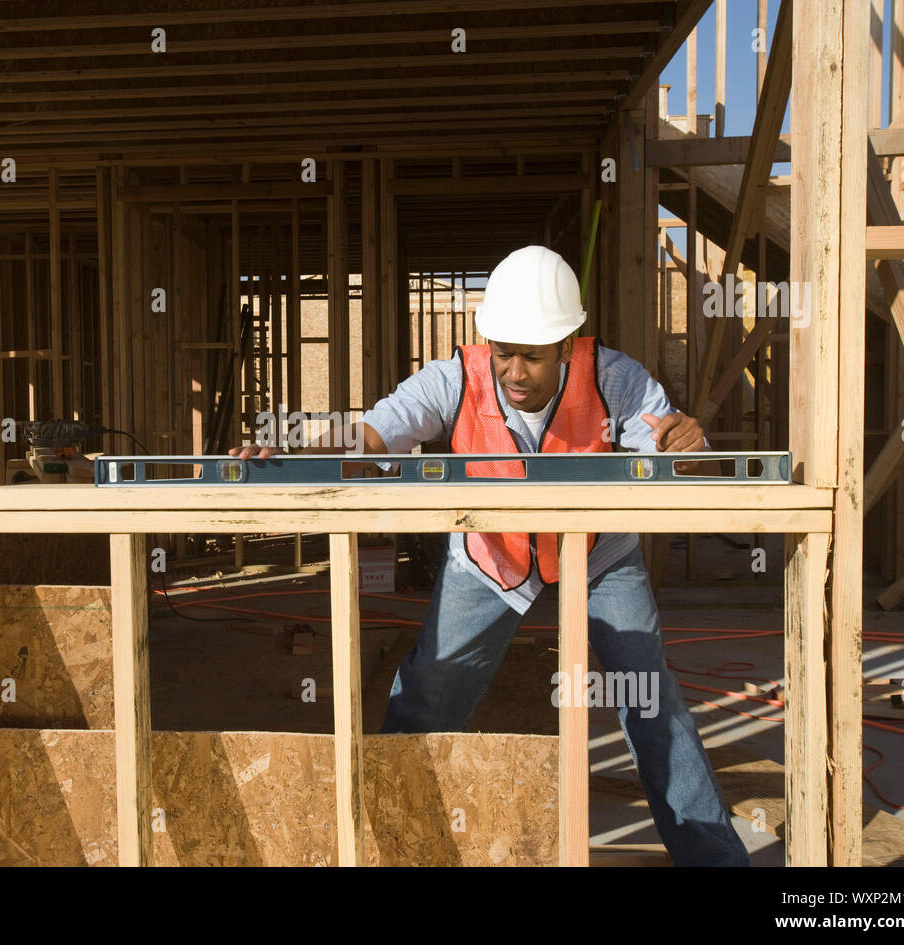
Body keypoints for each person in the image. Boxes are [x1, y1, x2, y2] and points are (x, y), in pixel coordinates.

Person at [230, 245, 748, 866]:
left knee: (651, 701)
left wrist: (686, 446)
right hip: (491, 557)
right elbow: (375, 433)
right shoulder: (455, 378)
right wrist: (303, 451)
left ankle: (716, 861)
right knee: (431, 691)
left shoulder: (617, 379)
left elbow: (679, 453)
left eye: (533, 355)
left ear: (568, 344)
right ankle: (387, 845)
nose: (515, 372)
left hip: (598, 555)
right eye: (504, 352)